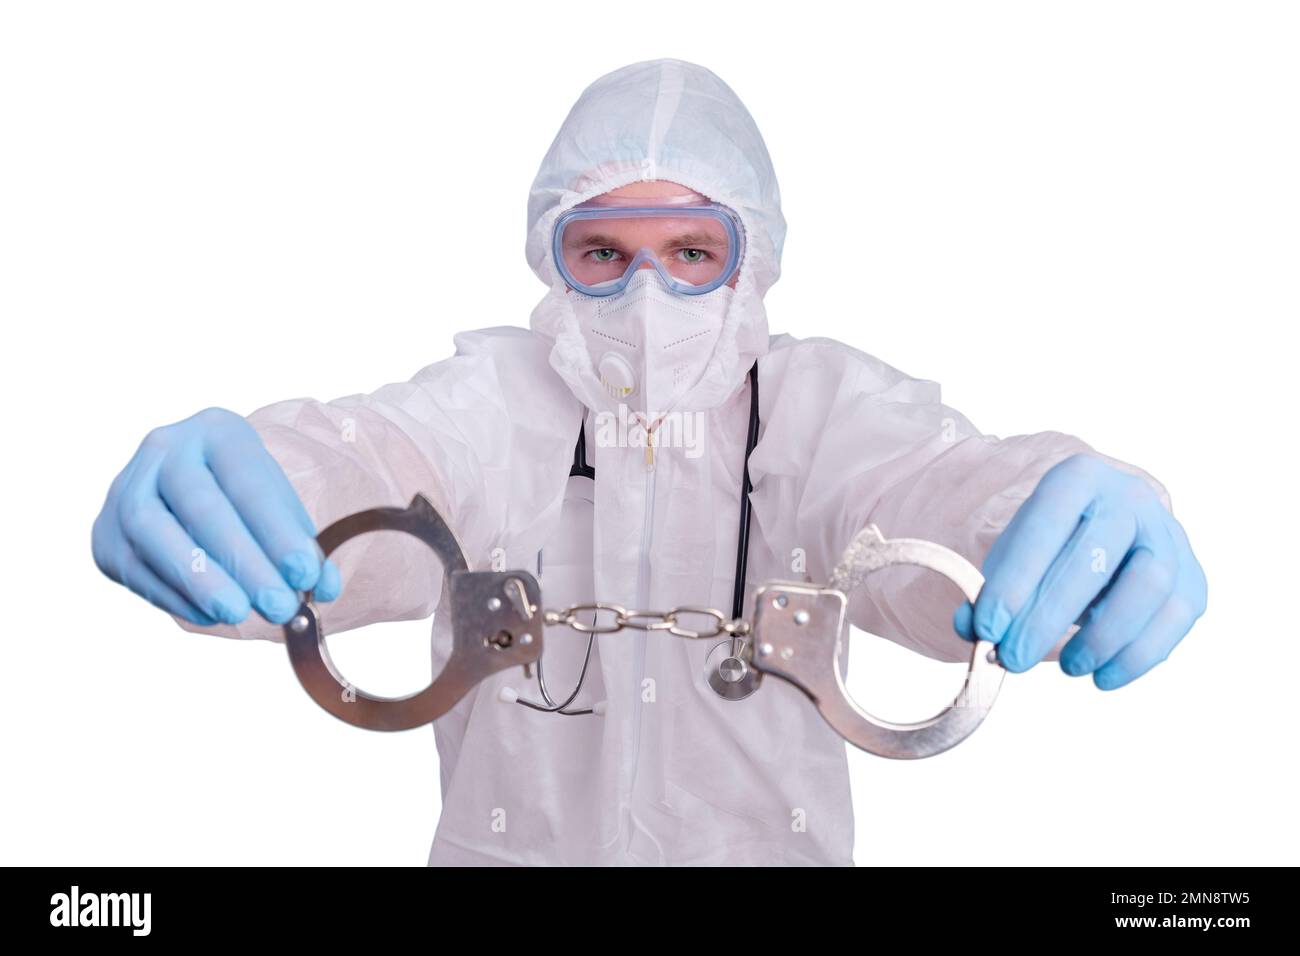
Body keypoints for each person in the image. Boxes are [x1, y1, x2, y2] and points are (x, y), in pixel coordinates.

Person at [91, 59, 1207, 866]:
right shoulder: (497, 401)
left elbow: (924, 501)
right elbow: (380, 466)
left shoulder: (818, 410)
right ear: (553, 256)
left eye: (689, 252)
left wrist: (1043, 519)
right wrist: (271, 492)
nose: (645, 295)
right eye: (602, 252)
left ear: (749, 259)